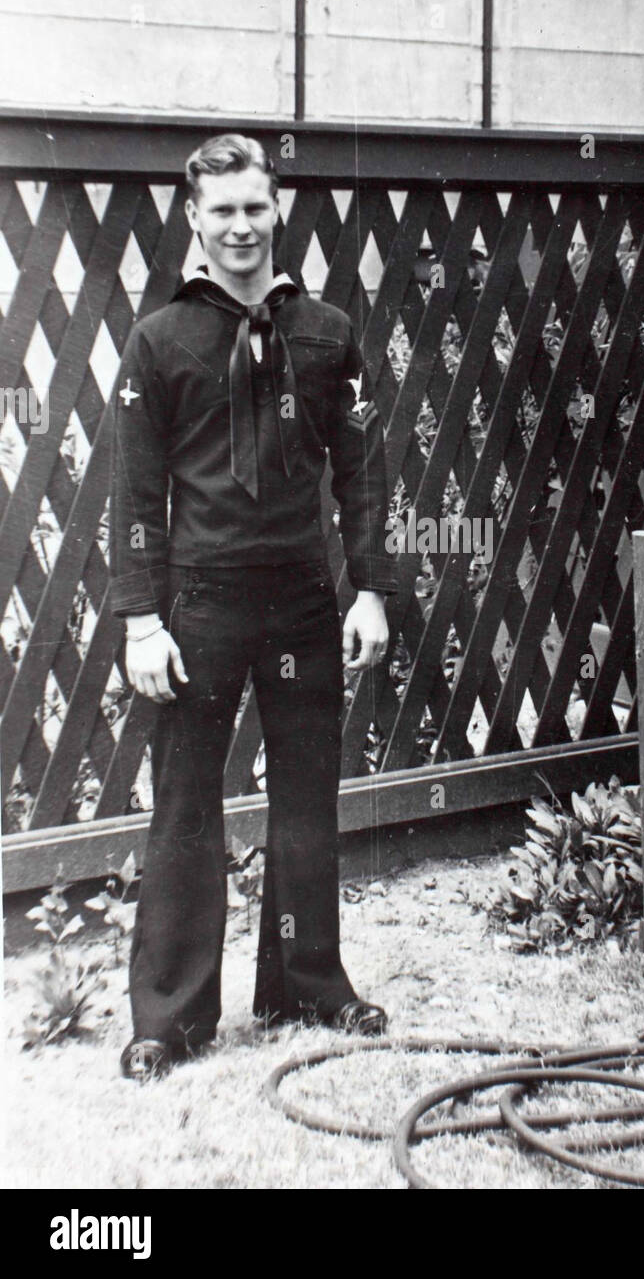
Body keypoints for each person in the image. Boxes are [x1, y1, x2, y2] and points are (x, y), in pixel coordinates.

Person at [109, 133, 396, 1081]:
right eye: (221, 210)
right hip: (201, 606)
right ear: (194, 219)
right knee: (187, 808)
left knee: (308, 796)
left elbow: (359, 472)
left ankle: (308, 983)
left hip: (306, 602)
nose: (240, 225)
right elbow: (134, 496)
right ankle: (170, 1018)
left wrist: (371, 591)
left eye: (254, 207)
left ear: (279, 212)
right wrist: (140, 620)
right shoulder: (159, 341)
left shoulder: (325, 333)